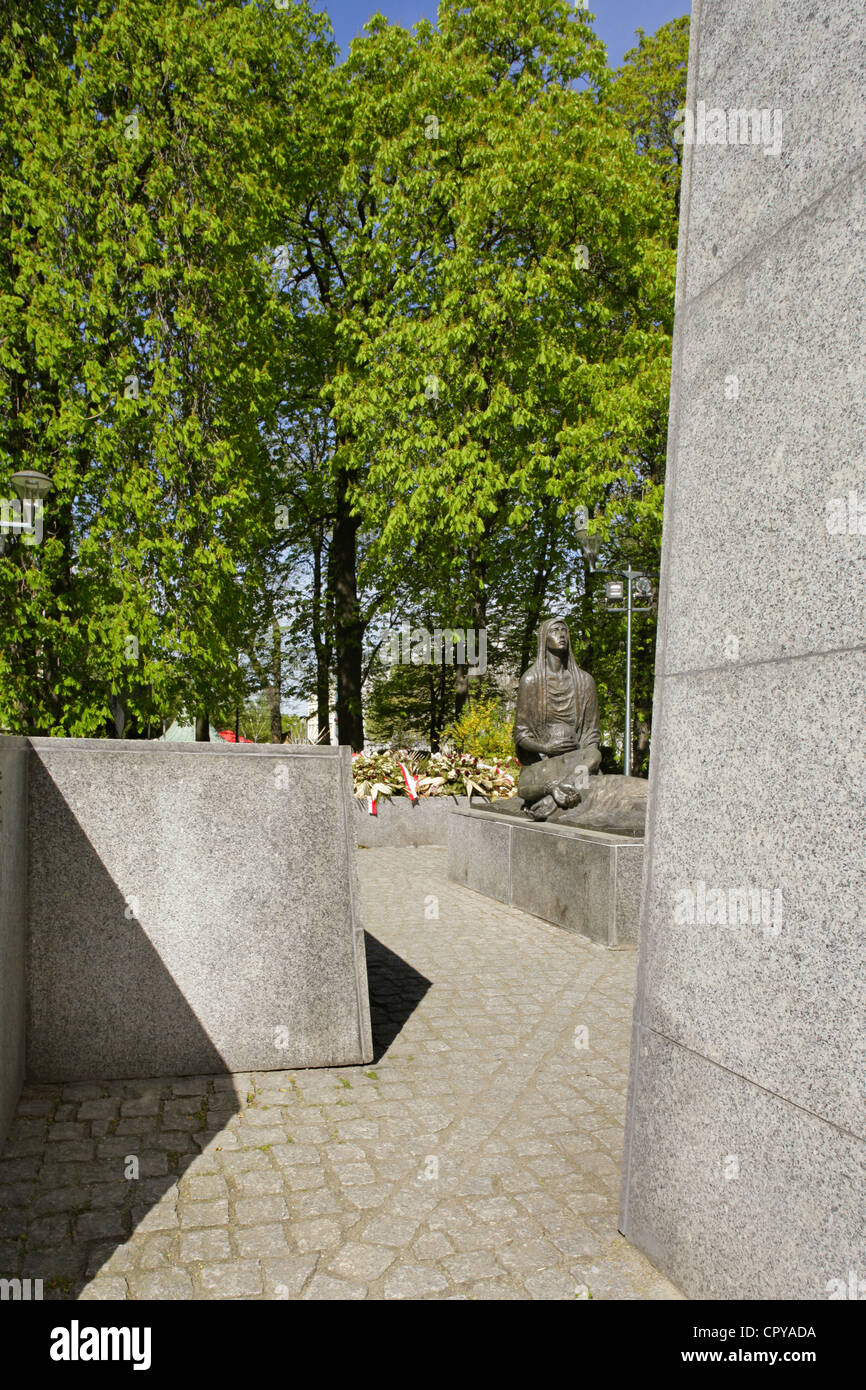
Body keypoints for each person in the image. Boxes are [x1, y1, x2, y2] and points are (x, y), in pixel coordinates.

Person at [512, 617, 601, 820]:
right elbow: (520, 734)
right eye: (555, 631)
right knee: (527, 785)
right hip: (544, 763)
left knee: (595, 758)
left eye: (564, 631)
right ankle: (557, 791)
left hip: (577, 761)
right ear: (544, 639)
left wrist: (585, 753)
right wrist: (546, 748)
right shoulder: (531, 680)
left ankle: (558, 793)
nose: (561, 635)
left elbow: (592, 733)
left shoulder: (585, 682)